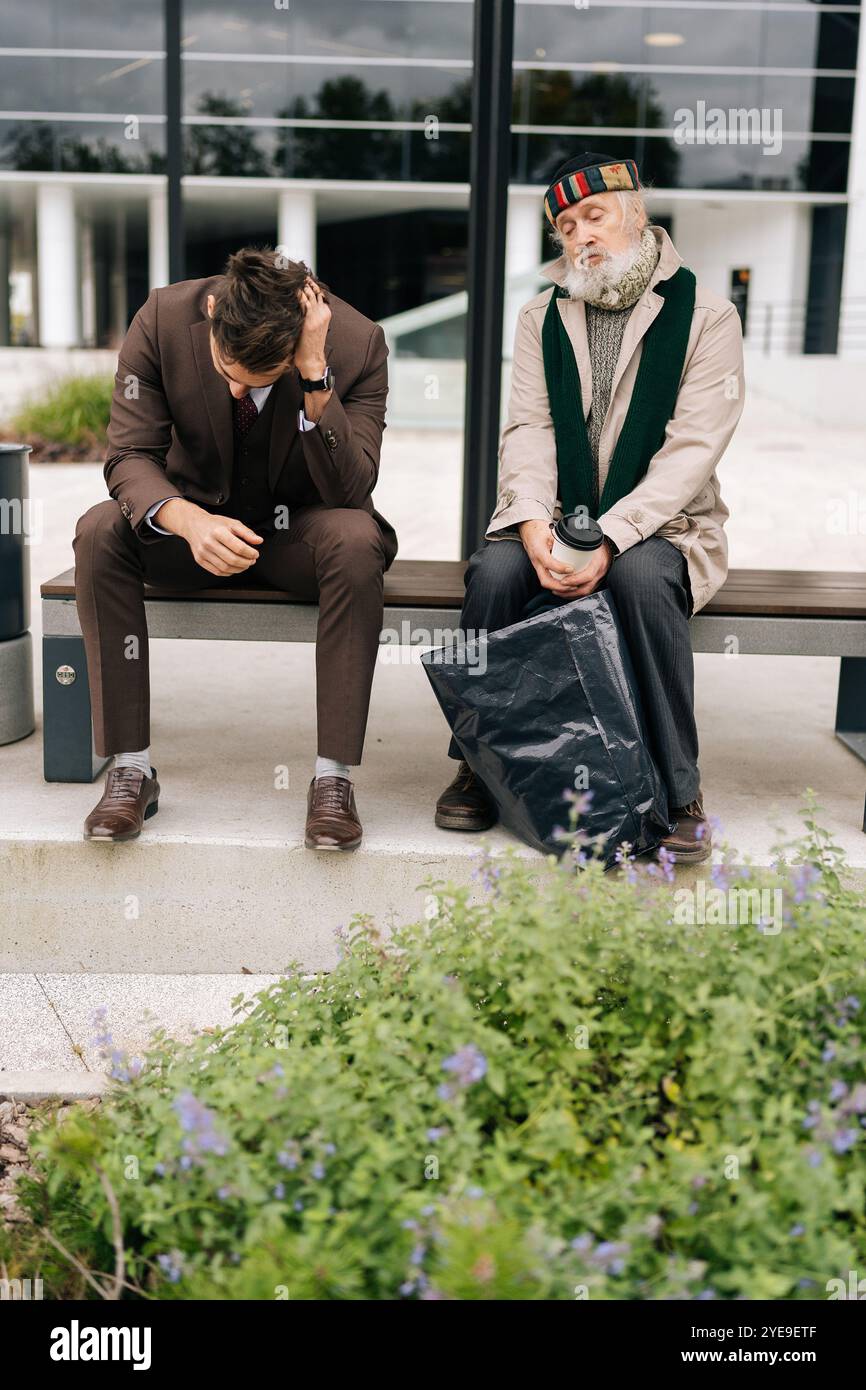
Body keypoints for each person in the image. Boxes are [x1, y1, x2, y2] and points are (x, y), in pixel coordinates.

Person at [435, 152, 745, 863]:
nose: (581, 236)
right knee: (494, 573)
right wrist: (532, 524)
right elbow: (529, 429)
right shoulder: (540, 315)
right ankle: (478, 764)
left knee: (641, 578)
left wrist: (610, 536)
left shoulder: (707, 315)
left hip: (664, 524)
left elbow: (693, 449)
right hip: (555, 512)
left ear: (635, 213)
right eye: (567, 227)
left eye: (594, 216)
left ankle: (679, 788)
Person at [73, 246, 397, 850]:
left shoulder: (358, 344)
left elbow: (352, 491)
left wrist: (315, 377)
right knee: (99, 529)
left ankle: (333, 780)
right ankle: (131, 769)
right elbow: (129, 455)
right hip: (189, 535)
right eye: (227, 366)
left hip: (296, 537)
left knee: (357, 539)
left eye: (259, 379)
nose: (234, 386)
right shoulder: (163, 318)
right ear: (213, 311)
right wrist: (186, 519)